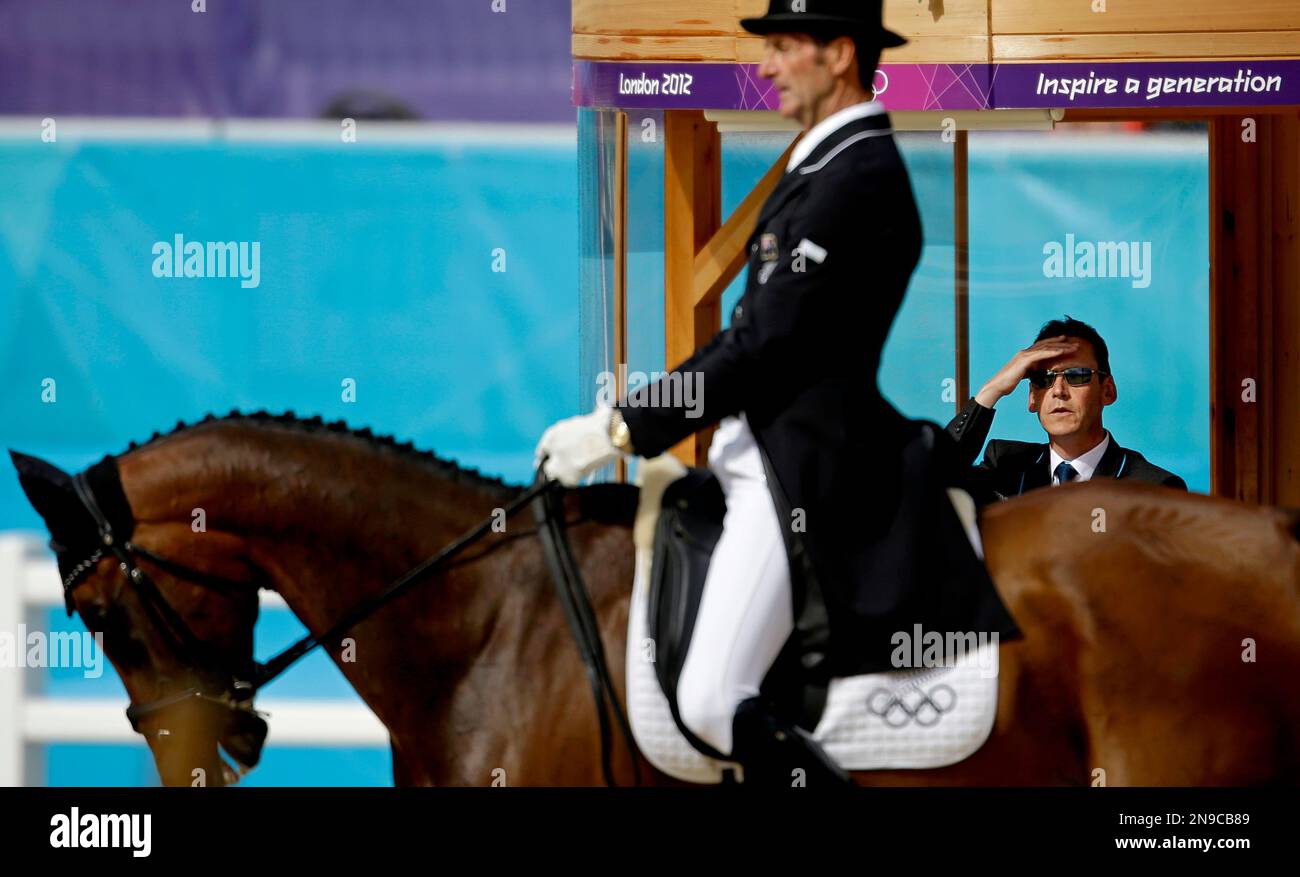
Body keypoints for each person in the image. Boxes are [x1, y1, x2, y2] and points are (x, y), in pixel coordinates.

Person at [535, 0, 1015, 787]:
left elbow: (769, 343)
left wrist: (625, 427)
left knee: (714, 697)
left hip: (803, 464)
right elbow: (748, 334)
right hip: (757, 448)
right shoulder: (821, 167)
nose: (764, 67)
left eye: (784, 47)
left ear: (840, 55)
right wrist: (626, 419)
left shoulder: (859, 174)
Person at [947, 317, 1187, 499]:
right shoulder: (1007, 466)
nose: (1058, 390)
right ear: (1032, 398)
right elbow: (931, 479)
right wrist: (992, 390)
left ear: (1108, 390)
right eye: (1044, 379)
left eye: (1077, 375)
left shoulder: (1153, 488)